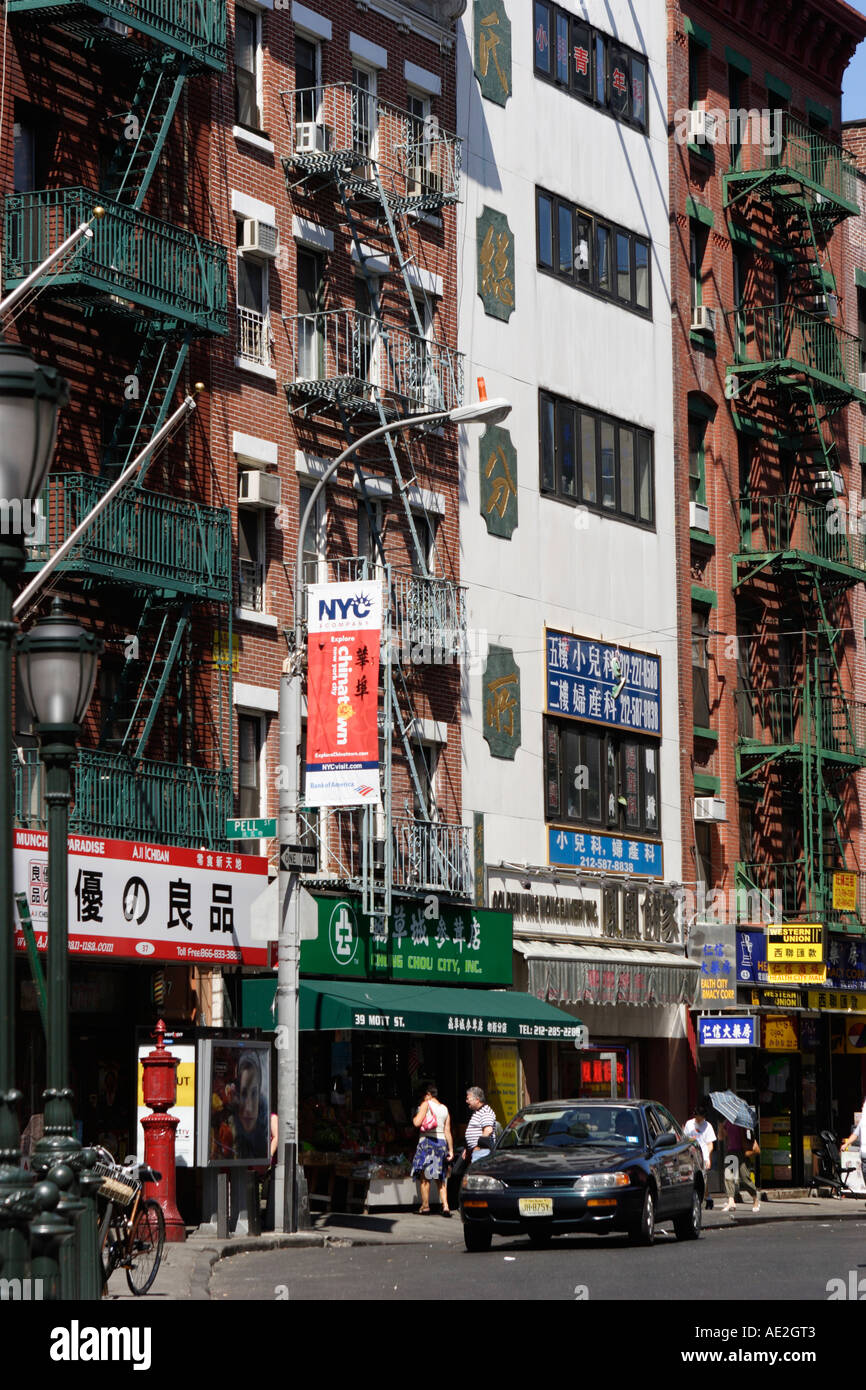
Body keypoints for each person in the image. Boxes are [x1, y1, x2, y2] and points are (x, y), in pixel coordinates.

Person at [410, 1084, 454, 1216]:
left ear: (428, 1094)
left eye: (424, 1095)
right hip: (441, 1144)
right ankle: (445, 1206)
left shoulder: (426, 1104)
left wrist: (414, 1115)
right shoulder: (445, 1109)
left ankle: (425, 1206)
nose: (423, 1098)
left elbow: (417, 1123)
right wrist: (450, 1150)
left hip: (428, 1142)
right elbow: (447, 1131)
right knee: (440, 1177)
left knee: (425, 1178)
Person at [722, 1121, 761, 1213]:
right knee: (728, 1176)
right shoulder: (727, 1122)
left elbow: (750, 1138)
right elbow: (722, 1137)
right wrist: (721, 1128)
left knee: (745, 1178)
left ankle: (755, 1198)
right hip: (731, 1151)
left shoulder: (743, 1123)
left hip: (742, 1152)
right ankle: (731, 1201)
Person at [684, 1103, 717, 1209]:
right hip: (691, 1154)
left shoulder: (708, 1126)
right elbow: (685, 1139)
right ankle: (699, 1199)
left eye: (701, 1118)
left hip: (703, 1155)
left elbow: (710, 1144)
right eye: (697, 1118)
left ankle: (707, 1198)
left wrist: (708, 1158)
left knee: (703, 1178)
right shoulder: (689, 1124)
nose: (699, 1120)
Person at [463, 1086, 497, 1164]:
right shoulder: (478, 1111)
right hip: (478, 1152)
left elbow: (488, 1130)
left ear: (477, 1100)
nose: (466, 1101)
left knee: (477, 1174)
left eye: (468, 1099)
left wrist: (478, 1147)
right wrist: (468, 1148)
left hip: (482, 1152)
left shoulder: (485, 1112)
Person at [841, 1099, 866, 1182]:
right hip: (864, 1155)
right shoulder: (863, 1121)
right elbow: (855, 1134)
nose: (863, 1108)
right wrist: (846, 1144)